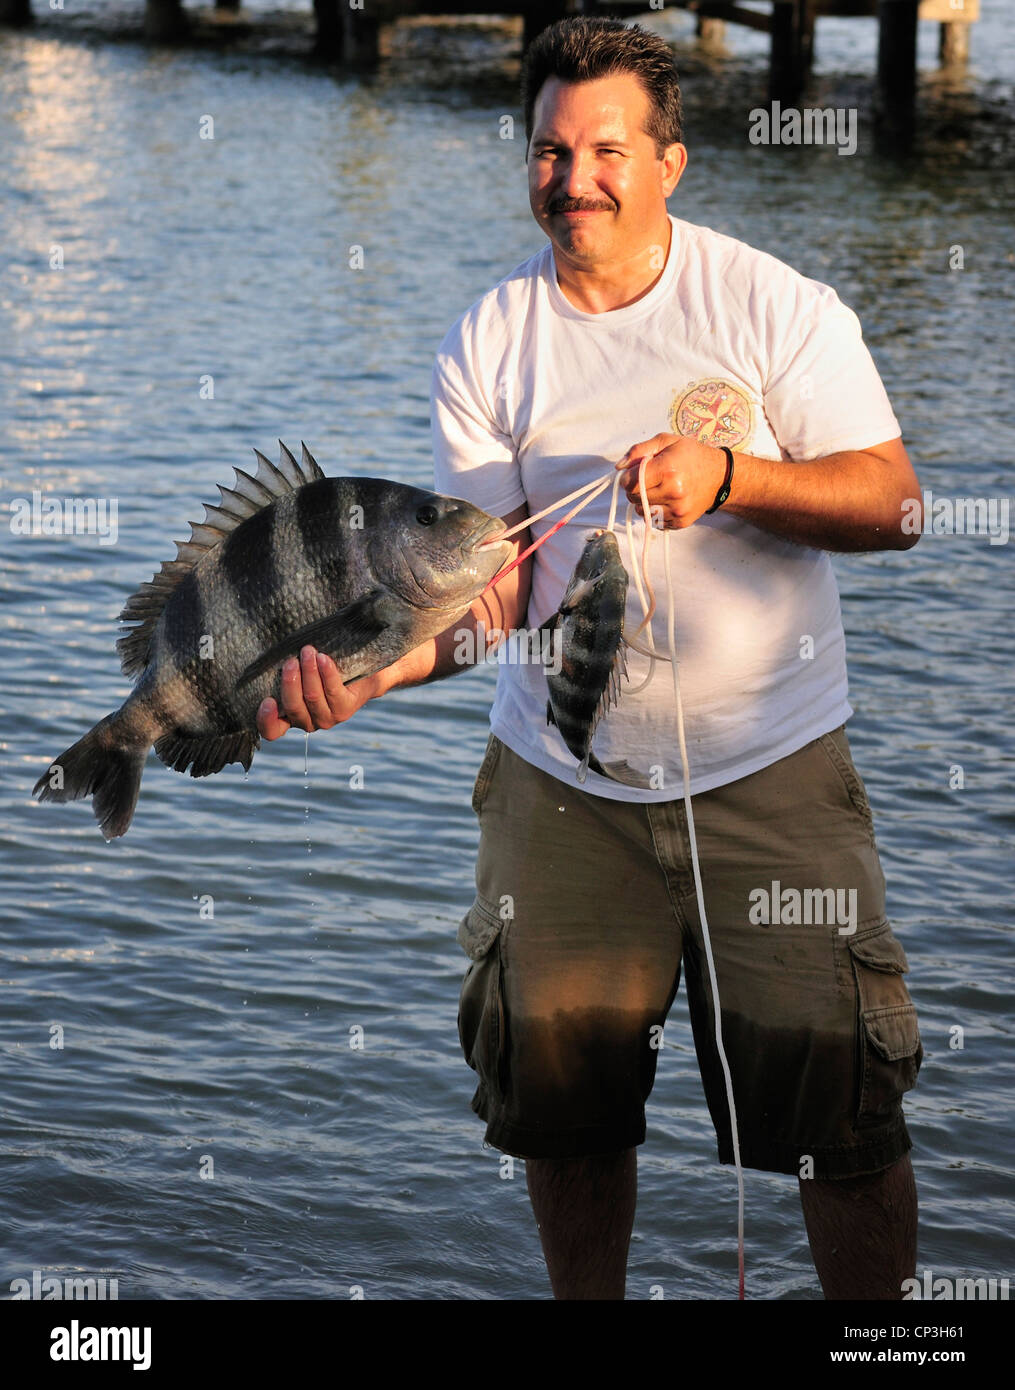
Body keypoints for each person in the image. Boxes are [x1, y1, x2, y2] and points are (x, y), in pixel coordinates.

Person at [257, 16, 923, 1301]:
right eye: (550, 151)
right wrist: (373, 675)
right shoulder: (488, 338)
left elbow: (894, 503)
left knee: (840, 1113)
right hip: (559, 785)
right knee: (560, 1112)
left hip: (772, 775)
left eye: (607, 149)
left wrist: (733, 475)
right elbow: (493, 592)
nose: (576, 180)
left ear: (671, 161)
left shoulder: (773, 304)